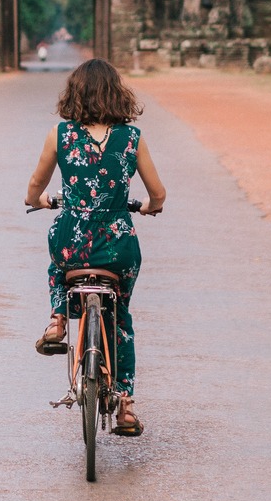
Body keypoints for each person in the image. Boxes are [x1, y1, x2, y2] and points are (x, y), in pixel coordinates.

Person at [23, 58, 166, 437]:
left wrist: (42, 201)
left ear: (74, 94)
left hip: (73, 238)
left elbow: (33, 190)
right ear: (119, 95)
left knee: (57, 260)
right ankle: (127, 404)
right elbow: (158, 194)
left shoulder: (60, 135)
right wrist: (150, 207)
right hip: (119, 245)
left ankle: (57, 319)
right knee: (120, 318)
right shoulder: (132, 138)